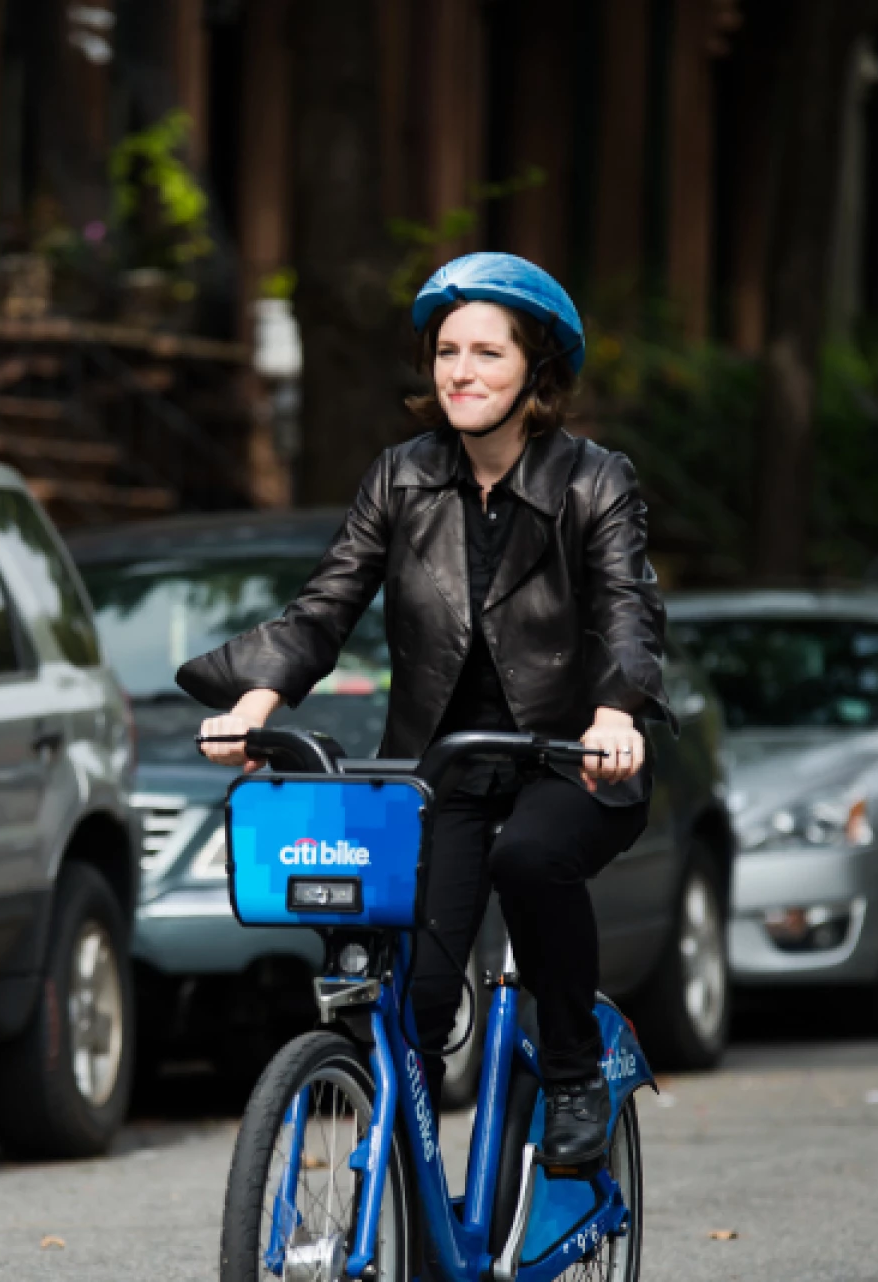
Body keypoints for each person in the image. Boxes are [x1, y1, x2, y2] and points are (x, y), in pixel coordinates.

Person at [179, 252, 671, 1165]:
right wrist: (255, 701)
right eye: (447, 351)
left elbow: (627, 610)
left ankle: (571, 1074)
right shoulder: (401, 478)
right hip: (442, 771)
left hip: (569, 762)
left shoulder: (594, 480)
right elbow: (325, 605)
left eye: (489, 352)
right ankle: (398, 1206)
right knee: (417, 995)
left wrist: (616, 713)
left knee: (529, 860)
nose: (462, 371)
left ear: (535, 370)